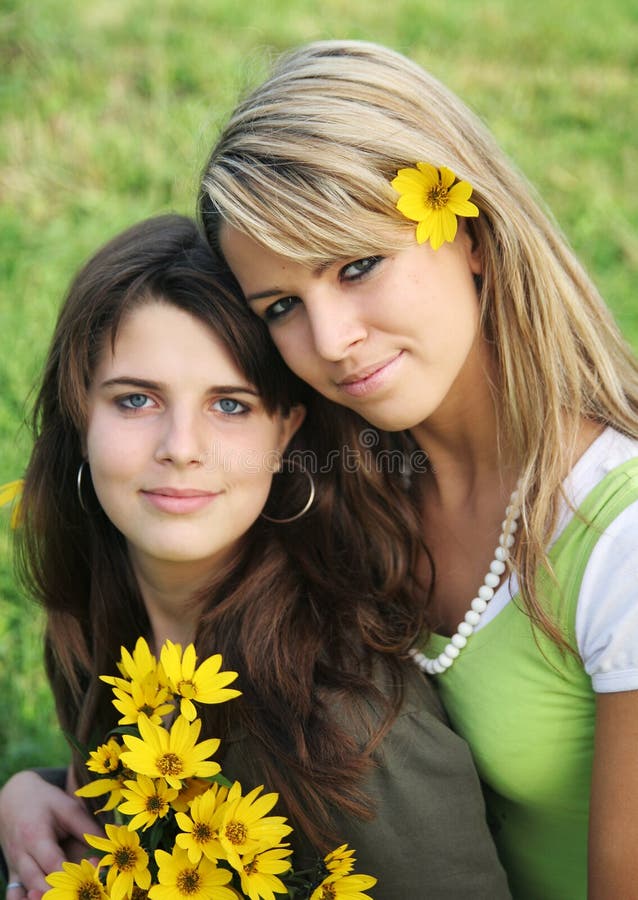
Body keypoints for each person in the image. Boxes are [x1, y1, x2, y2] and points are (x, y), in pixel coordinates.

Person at [197, 39, 638, 899]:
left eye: (357, 266)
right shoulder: (342, 484)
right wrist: (36, 791)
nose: (331, 341)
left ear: (468, 231)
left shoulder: (618, 539)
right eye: (282, 307)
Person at [0, 214, 510, 900]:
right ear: (80, 415)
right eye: (136, 400)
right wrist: (32, 793)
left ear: (285, 433)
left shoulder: (349, 732)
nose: (181, 448)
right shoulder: (97, 621)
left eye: (231, 406)